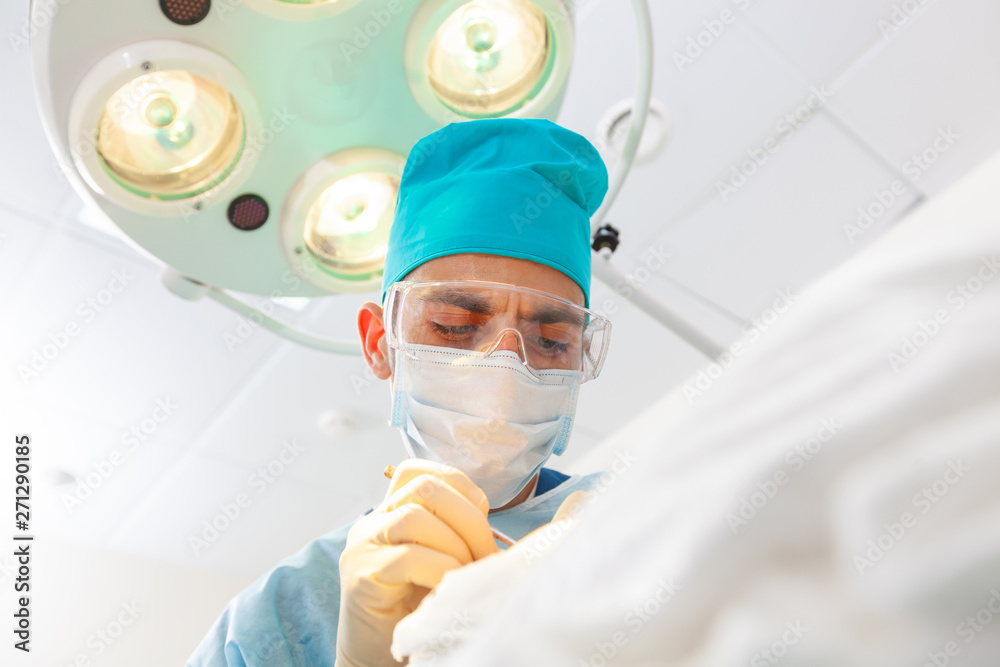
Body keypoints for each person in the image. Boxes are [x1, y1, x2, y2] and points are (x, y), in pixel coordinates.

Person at [187, 117, 613, 667]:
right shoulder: (272, 622)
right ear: (379, 343)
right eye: (456, 327)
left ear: (580, 359)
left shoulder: (641, 517)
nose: (505, 377)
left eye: (551, 340)